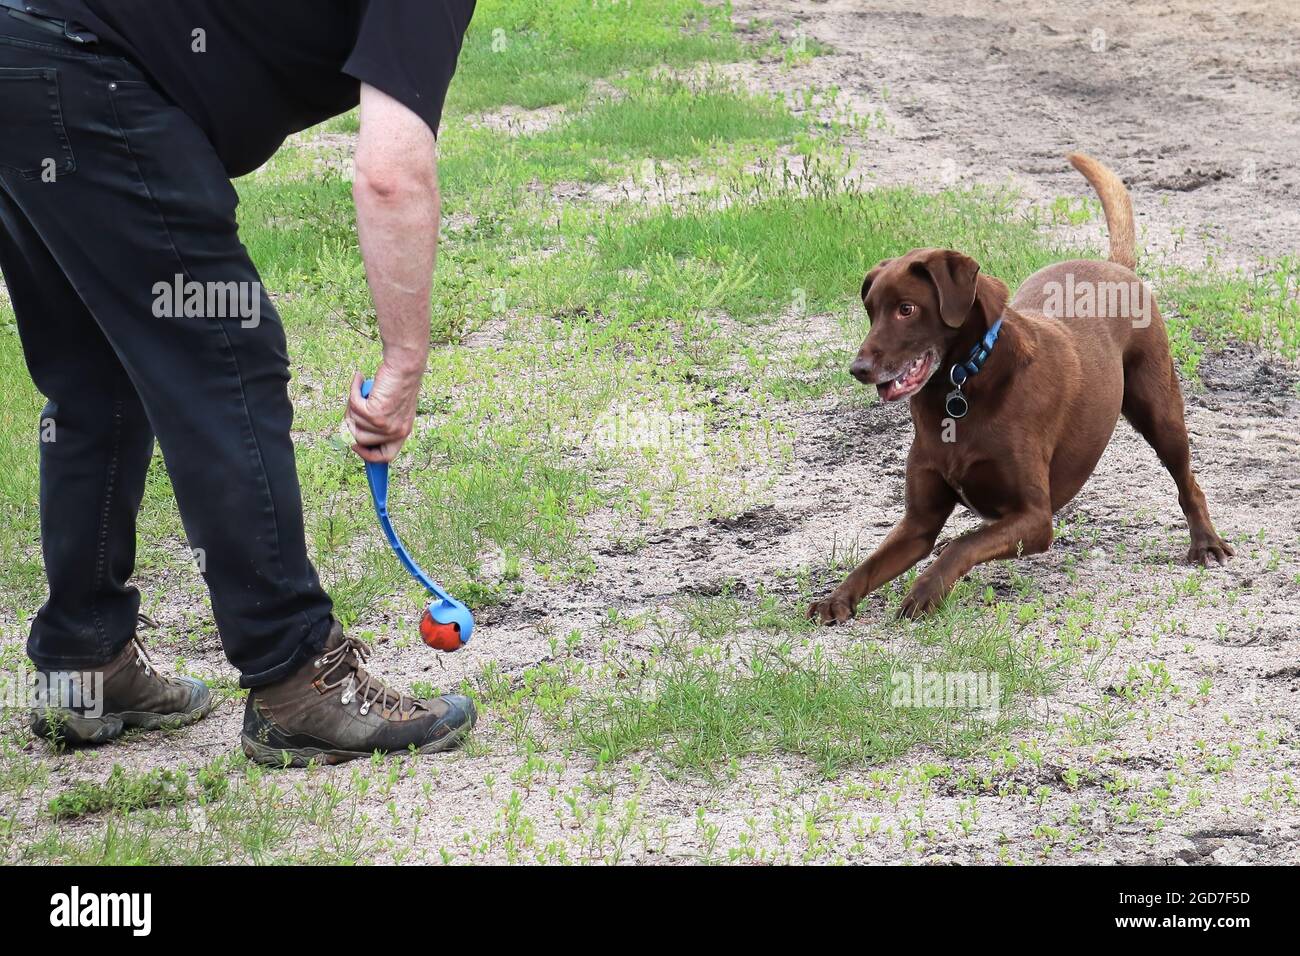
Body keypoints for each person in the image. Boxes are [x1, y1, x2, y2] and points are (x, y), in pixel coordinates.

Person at [0, 0, 478, 766]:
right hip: (85, 61)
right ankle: (298, 678)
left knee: (95, 370)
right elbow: (391, 174)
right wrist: (403, 363)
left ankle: (85, 661)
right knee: (225, 352)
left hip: (20, 46)